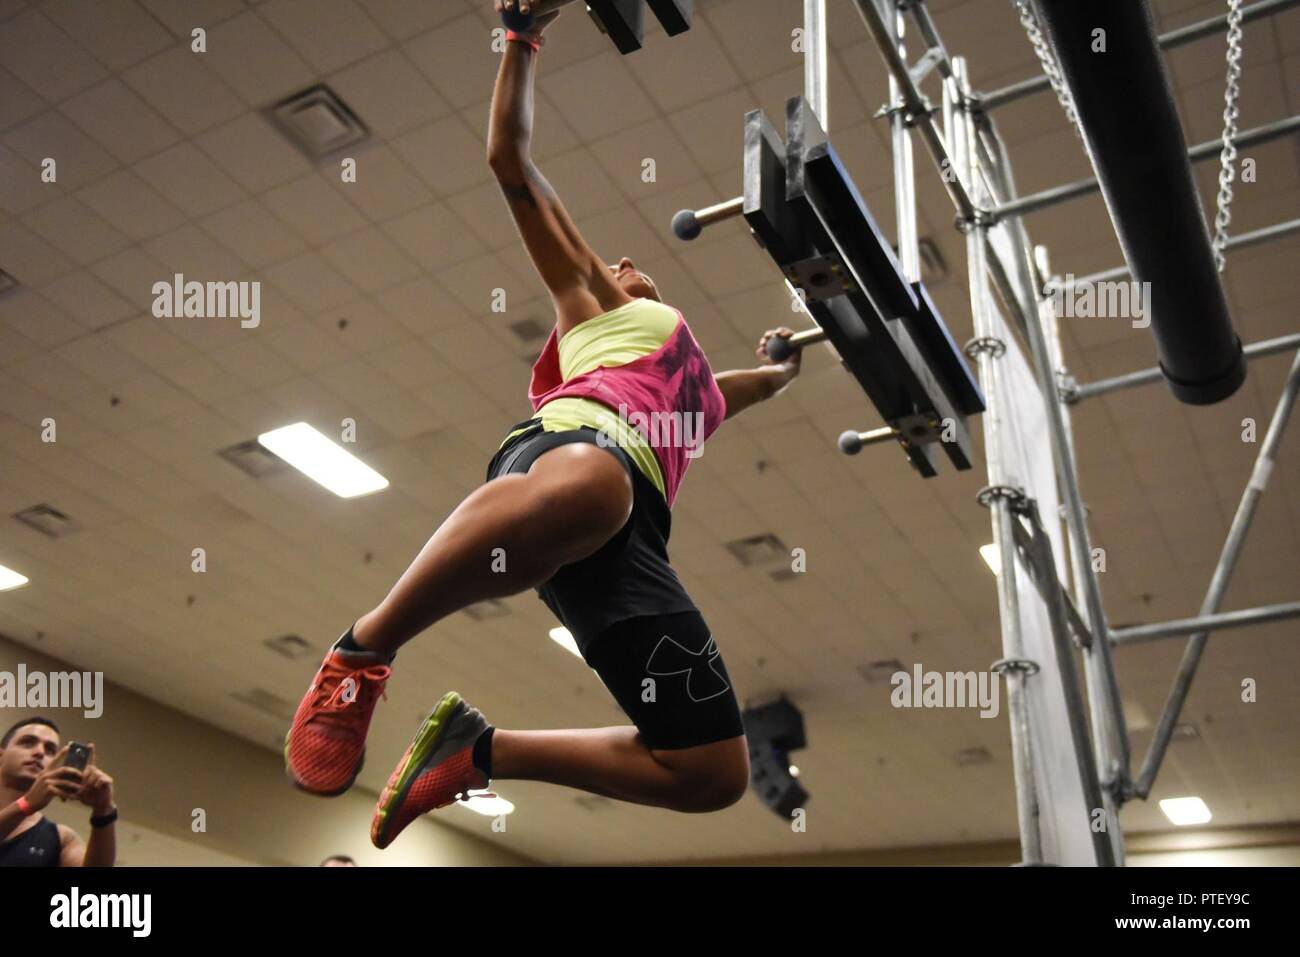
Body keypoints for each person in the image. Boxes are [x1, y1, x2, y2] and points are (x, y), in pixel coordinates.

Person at [284, 1, 804, 850]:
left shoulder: (696, 390)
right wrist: (521, 39)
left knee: (714, 773)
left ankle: (473, 752)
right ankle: (360, 652)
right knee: (600, 489)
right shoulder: (591, 304)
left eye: (638, 265)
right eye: (620, 262)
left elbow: (744, 388)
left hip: (628, 537)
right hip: (564, 459)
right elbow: (510, 160)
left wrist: (782, 367)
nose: (628, 263)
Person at [0, 717, 117, 867]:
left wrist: (104, 811)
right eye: (28, 742)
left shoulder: (61, 839)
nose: (40, 752)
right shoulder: (27, 806)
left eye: (50, 750)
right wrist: (26, 805)